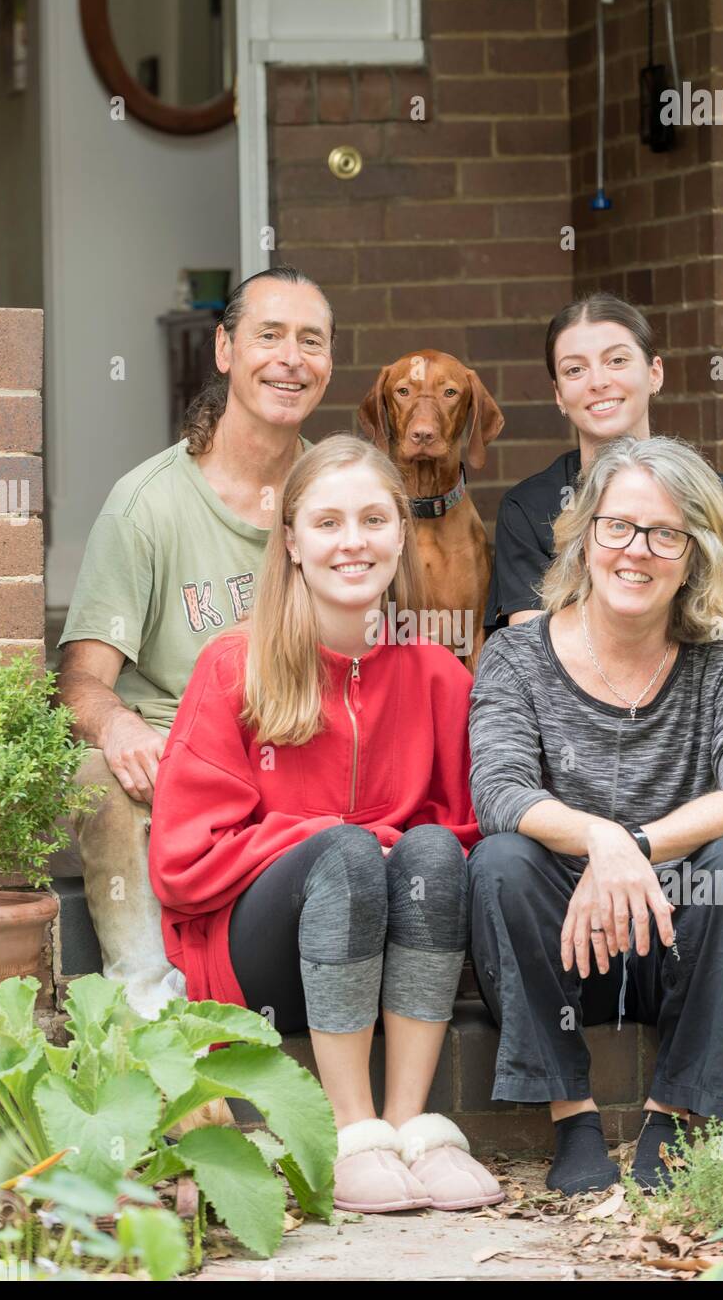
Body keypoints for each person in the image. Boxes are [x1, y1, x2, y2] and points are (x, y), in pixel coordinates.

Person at [147, 435, 505, 1215]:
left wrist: (393, 851)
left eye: (374, 520)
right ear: (291, 542)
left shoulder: (439, 675)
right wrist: (327, 837)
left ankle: (410, 1127)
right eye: (328, 522)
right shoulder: (233, 666)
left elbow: (471, 838)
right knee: (344, 851)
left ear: (400, 536)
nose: (353, 542)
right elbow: (181, 863)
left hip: (391, 946)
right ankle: (350, 1136)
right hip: (259, 955)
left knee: (432, 849)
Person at [484, 291, 723, 1012]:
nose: (598, 381)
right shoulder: (530, 506)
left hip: (686, 710)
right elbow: (542, 654)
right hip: (587, 734)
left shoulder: (721, 499)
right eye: (575, 369)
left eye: (616, 360)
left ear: (654, 372)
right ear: (557, 393)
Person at [468, 435, 723, 1196]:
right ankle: (573, 1119)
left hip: (684, 939)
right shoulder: (516, 657)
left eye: (664, 534)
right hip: (567, 943)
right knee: (501, 863)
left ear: (695, 554)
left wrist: (636, 847)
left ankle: (673, 1116)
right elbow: (499, 791)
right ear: (584, 536)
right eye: (617, 526)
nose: (636, 550)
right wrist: (601, 841)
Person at [56, 265, 333, 1021]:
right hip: (175, 758)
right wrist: (119, 727)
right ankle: (150, 1013)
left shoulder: (334, 498)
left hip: (289, 747)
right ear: (224, 349)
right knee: (98, 771)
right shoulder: (146, 505)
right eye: (269, 335)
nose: (291, 358)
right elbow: (77, 680)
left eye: (311, 341)